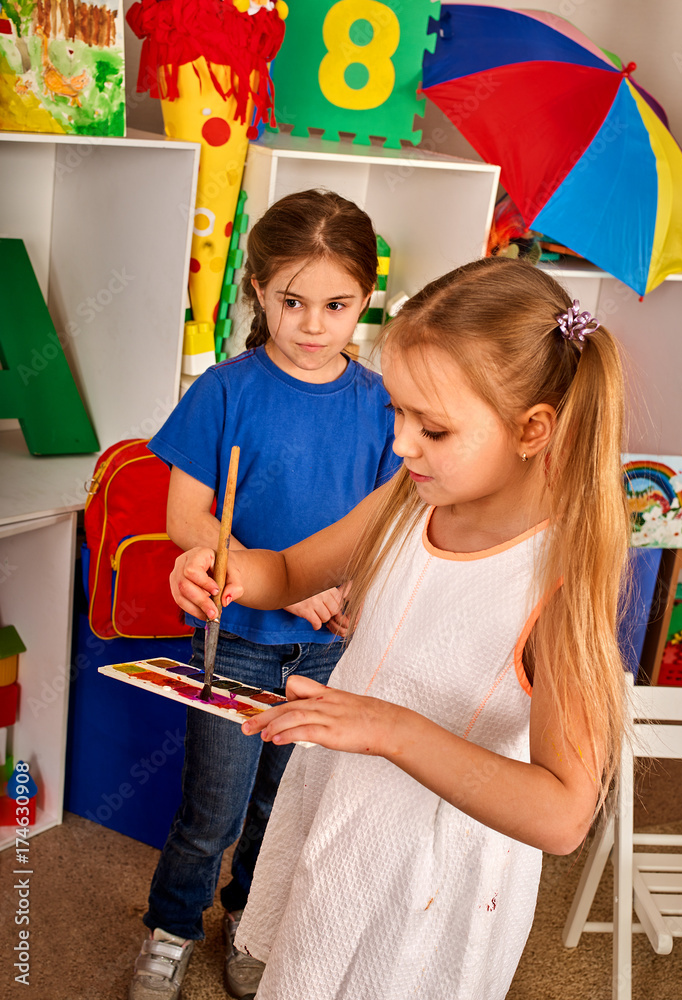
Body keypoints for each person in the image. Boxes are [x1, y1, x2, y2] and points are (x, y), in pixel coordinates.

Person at [170, 256, 632, 1000]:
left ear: (533, 429)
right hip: (343, 812)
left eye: (434, 427)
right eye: (396, 413)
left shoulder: (559, 582)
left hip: (431, 877)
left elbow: (563, 814)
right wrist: (223, 570)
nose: (402, 443)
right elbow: (289, 572)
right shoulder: (410, 500)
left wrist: (394, 730)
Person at [129, 189, 401, 1000]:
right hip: (241, 635)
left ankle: (252, 925)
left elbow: (391, 523)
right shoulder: (226, 389)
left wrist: (346, 586)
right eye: (292, 302)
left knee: (283, 810)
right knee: (212, 808)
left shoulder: (385, 403)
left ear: (365, 301)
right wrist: (290, 581)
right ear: (257, 291)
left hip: (331, 646)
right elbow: (187, 515)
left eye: (337, 305)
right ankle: (172, 929)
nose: (313, 324)